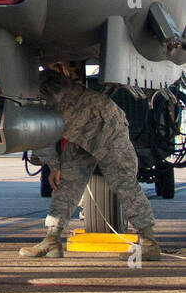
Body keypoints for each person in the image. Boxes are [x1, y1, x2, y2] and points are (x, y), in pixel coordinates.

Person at [20, 64, 161, 260]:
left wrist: (53, 165)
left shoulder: (38, 89)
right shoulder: (32, 91)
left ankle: (148, 243)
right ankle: (52, 241)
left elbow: (43, 130)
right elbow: (46, 128)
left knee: (124, 184)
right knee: (66, 187)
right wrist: (55, 166)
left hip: (106, 128)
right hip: (78, 135)